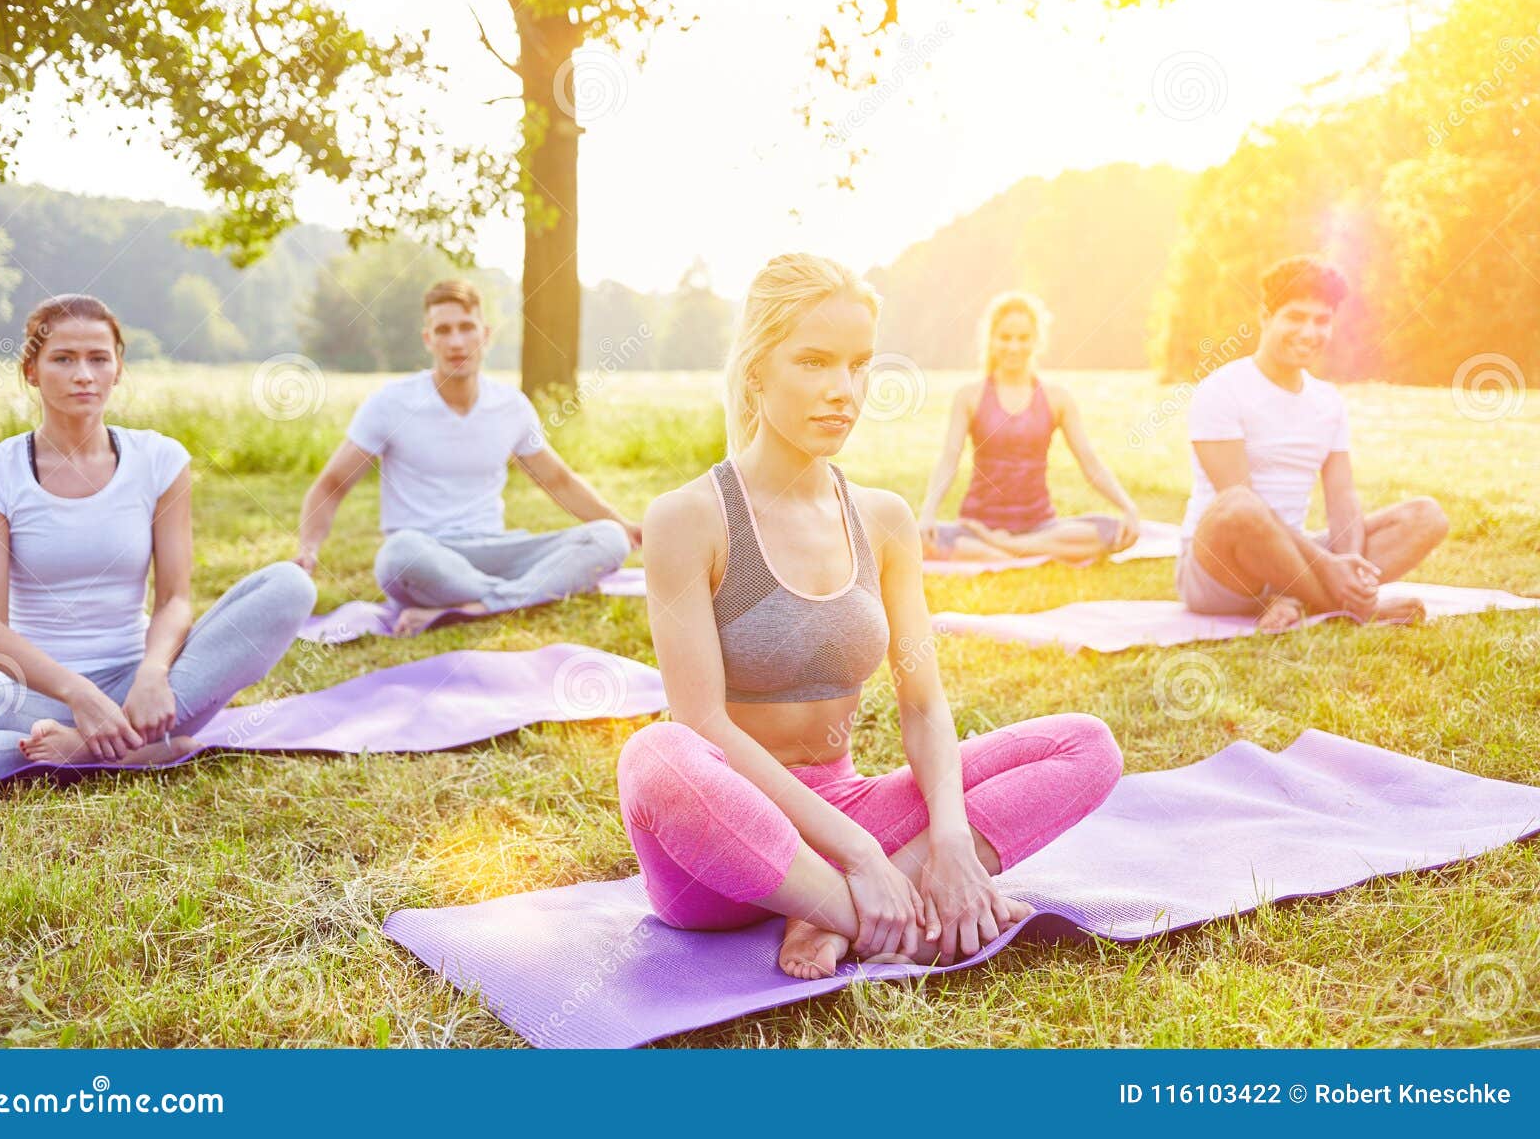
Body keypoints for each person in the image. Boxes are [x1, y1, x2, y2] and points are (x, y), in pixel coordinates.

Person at [617, 254, 1124, 980]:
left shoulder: (883, 520)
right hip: (722, 851)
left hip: (850, 807)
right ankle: (874, 911)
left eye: (858, 366)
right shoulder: (686, 518)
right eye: (815, 362)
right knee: (655, 756)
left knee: (1087, 745)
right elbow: (704, 726)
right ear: (757, 371)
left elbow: (923, 704)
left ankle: (845, 905)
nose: (843, 392)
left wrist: (950, 839)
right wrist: (857, 855)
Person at [0, 294, 316, 793]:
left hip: (142, 686)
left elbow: (175, 599)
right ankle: (132, 753)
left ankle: (87, 750)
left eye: (99, 358)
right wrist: (80, 696)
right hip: (29, 696)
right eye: (63, 359)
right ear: (31, 370)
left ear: (118, 368)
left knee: (289, 585)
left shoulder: (160, 459)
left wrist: (153, 673)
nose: (84, 375)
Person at [296, 279, 639, 636]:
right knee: (396, 555)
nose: (456, 341)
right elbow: (331, 485)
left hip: (497, 553)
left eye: (466, 328)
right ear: (428, 339)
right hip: (425, 557)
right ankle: (515, 597)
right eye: (443, 330)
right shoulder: (391, 403)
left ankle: (479, 606)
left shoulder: (511, 406)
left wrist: (623, 525)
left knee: (608, 539)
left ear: (484, 334)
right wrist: (309, 547)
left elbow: (558, 480)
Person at [1178, 256, 1449, 630]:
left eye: (1321, 321)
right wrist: (1329, 568)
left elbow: (1341, 498)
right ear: (1264, 317)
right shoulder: (1220, 390)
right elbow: (1237, 502)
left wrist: (1350, 565)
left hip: (1295, 560)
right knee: (1239, 506)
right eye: (1295, 317)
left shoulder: (1327, 401)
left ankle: (1306, 597)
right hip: (1222, 568)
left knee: (1426, 517)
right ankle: (1351, 610)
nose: (1308, 332)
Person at [918, 291, 1142, 564]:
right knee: (915, 538)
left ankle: (1003, 549)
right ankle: (1019, 549)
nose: (1014, 347)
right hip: (977, 526)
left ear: (1037, 341)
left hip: (1040, 525)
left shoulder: (1057, 398)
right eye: (1005, 337)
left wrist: (1128, 507)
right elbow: (948, 461)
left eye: (1023, 338)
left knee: (1109, 531)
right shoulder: (969, 396)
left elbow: (1089, 462)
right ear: (991, 339)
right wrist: (928, 512)